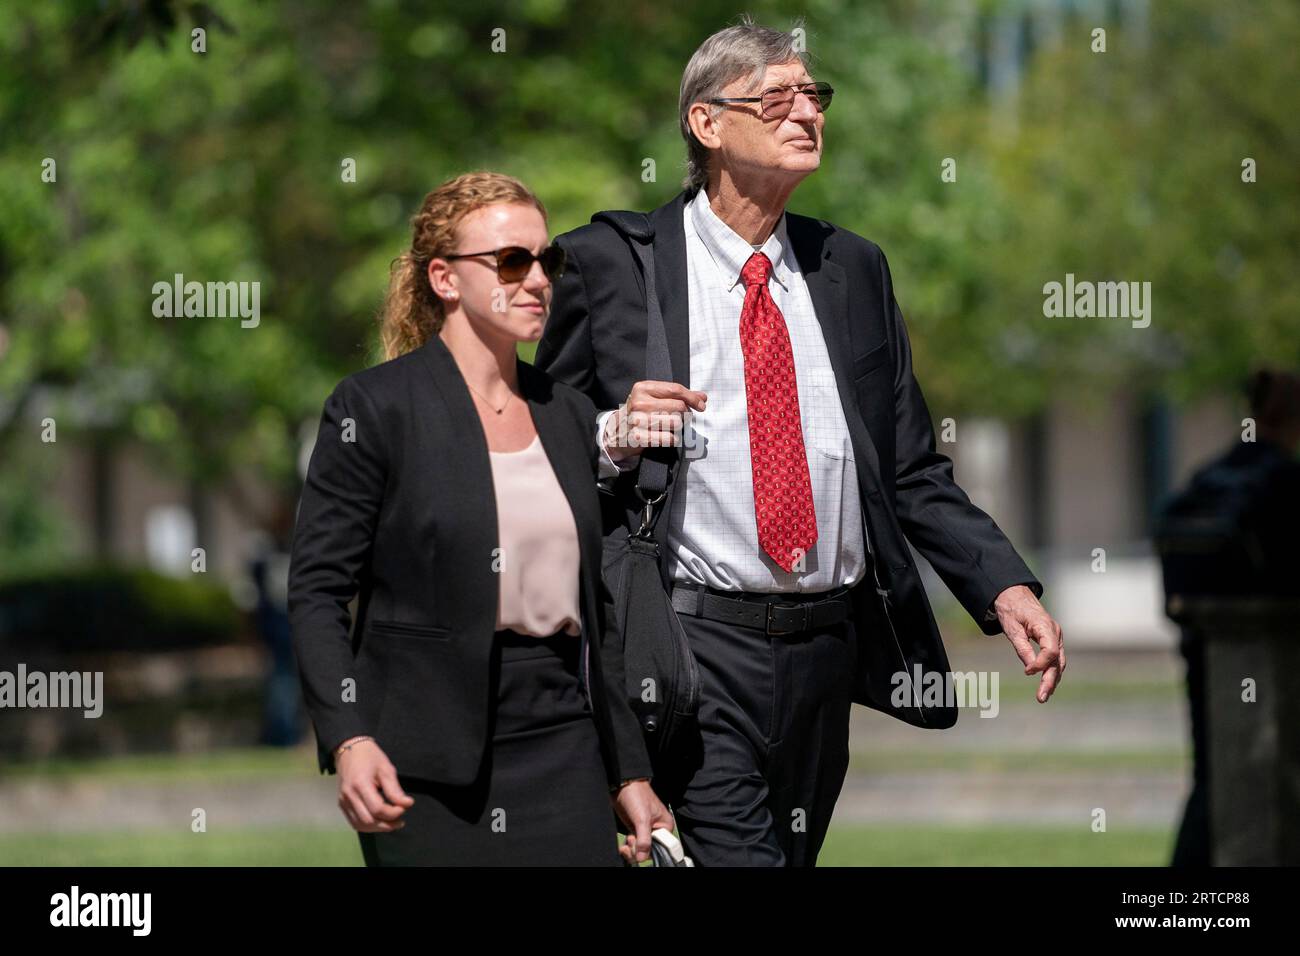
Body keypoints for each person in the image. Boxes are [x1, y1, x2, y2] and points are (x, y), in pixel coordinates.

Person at [535, 16, 1065, 866]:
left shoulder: (850, 268)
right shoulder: (611, 264)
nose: (805, 113)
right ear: (707, 124)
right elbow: (541, 446)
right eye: (775, 98)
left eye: (812, 95)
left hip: (829, 648)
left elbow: (909, 467)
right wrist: (612, 434)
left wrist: (1002, 587)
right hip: (690, 647)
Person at [288, 171, 673, 866]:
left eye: (545, 260)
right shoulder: (374, 409)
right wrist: (349, 737)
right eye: (510, 261)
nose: (536, 280)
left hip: (565, 744)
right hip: (425, 763)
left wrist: (630, 771)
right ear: (444, 279)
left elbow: (599, 616)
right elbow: (316, 591)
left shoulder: (567, 412)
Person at [1157, 368, 1300, 866]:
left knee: (1211, 775)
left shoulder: (1211, 475)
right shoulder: (1284, 480)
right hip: (1272, 657)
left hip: (1205, 648)